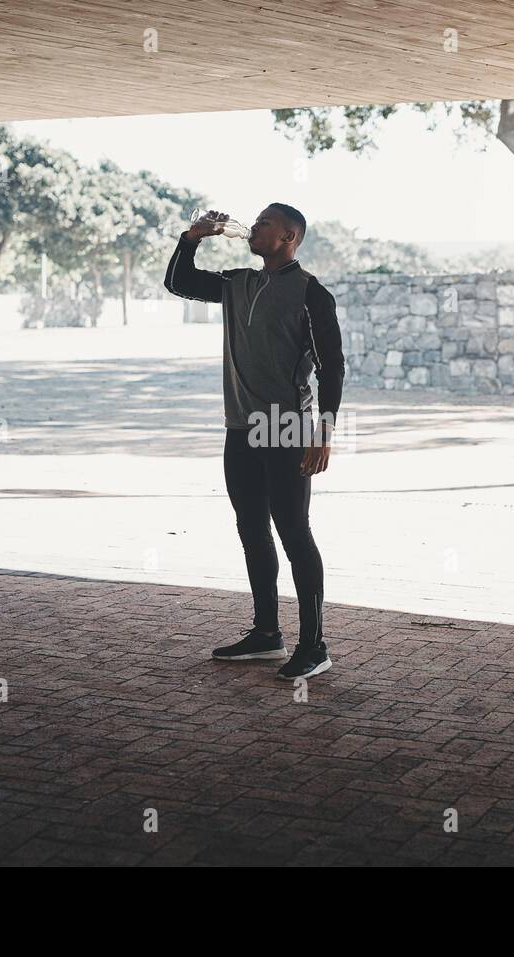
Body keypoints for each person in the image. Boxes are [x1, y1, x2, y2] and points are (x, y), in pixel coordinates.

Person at [163, 203, 345, 680]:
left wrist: (323, 431)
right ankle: (267, 634)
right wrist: (193, 236)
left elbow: (333, 368)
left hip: (286, 427)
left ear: (288, 236)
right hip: (240, 427)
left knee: (294, 533)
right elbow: (179, 283)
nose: (254, 226)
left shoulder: (311, 294)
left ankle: (314, 645)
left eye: (264, 223)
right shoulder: (237, 283)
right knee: (251, 529)